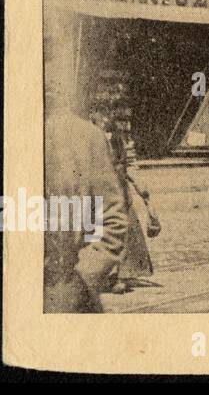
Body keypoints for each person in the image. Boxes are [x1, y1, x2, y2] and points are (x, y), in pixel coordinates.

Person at [44, 107, 128, 312]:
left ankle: (116, 276)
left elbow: (112, 220)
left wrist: (81, 282)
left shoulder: (84, 135)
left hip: (63, 292)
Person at [101, 116, 159, 294]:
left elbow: (130, 165)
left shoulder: (120, 139)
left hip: (121, 194)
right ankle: (105, 274)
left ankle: (116, 275)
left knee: (122, 234)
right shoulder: (89, 141)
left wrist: (145, 196)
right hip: (99, 195)